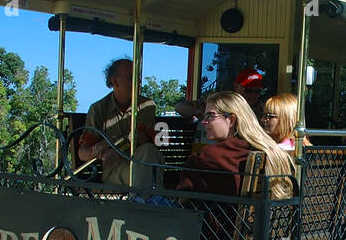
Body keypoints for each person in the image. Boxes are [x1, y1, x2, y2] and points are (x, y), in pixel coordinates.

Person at [176, 92, 295, 200]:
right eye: (204, 116)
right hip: (257, 222)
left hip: (216, 223)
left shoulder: (210, 156)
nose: (204, 121)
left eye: (210, 115)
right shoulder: (266, 150)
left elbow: (183, 199)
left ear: (231, 120)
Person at [77, 58, 161, 187]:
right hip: (115, 172)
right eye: (131, 78)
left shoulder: (146, 105)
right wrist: (97, 151)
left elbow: (141, 137)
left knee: (149, 151)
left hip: (142, 163)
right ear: (115, 82)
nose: (138, 82)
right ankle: (148, 202)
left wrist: (113, 148)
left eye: (138, 77)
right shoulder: (98, 109)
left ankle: (141, 202)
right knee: (148, 172)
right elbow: (82, 152)